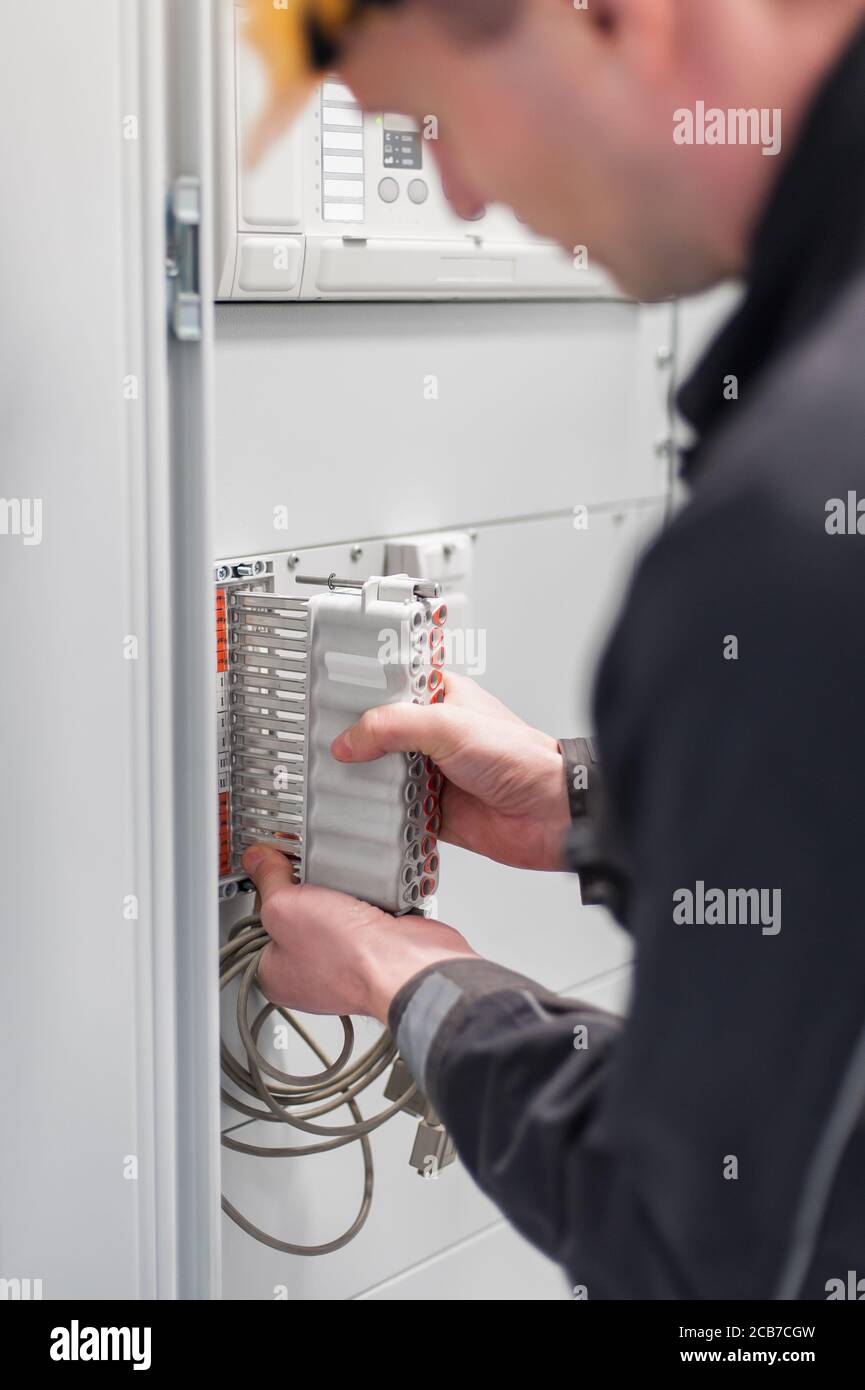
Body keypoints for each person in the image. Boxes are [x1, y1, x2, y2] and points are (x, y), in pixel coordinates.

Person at [243, 0, 865, 1298]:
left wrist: (418, 985)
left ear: (612, 18)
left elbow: (713, 1267)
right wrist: (598, 808)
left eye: (431, 127)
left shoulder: (792, 519)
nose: (460, 201)